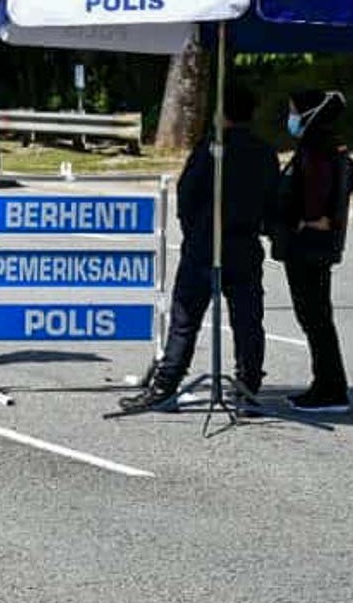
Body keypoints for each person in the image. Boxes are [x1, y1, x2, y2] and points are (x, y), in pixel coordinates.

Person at [119, 84, 279, 414]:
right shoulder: (265, 152)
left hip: (205, 246)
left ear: (221, 113)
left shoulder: (211, 148)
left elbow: (187, 193)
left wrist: (195, 232)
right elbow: (272, 201)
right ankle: (248, 390)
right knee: (248, 321)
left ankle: (165, 386)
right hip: (244, 244)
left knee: (185, 319)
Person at [274, 89, 353, 413]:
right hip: (315, 246)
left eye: (294, 111)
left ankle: (330, 389)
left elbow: (319, 186)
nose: (291, 119)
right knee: (317, 317)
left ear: (308, 114)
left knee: (315, 317)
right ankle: (325, 384)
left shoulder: (316, 148)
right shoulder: (328, 143)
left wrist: (314, 218)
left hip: (308, 247)